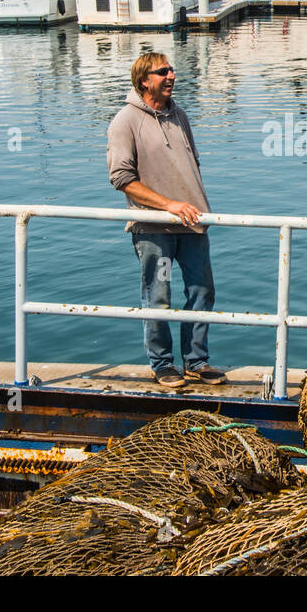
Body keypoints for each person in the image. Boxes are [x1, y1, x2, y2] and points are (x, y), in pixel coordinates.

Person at [107, 52, 225, 388]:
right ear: (145, 80)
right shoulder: (125, 121)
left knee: (202, 290)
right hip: (154, 229)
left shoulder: (179, 115)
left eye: (172, 69)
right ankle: (162, 364)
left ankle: (196, 361)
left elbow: (193, 165)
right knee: (158, 294)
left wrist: (192, 206)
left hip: (192, 224)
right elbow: (121, 178)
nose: (171, 75)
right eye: (163, 71)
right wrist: (167, 204)